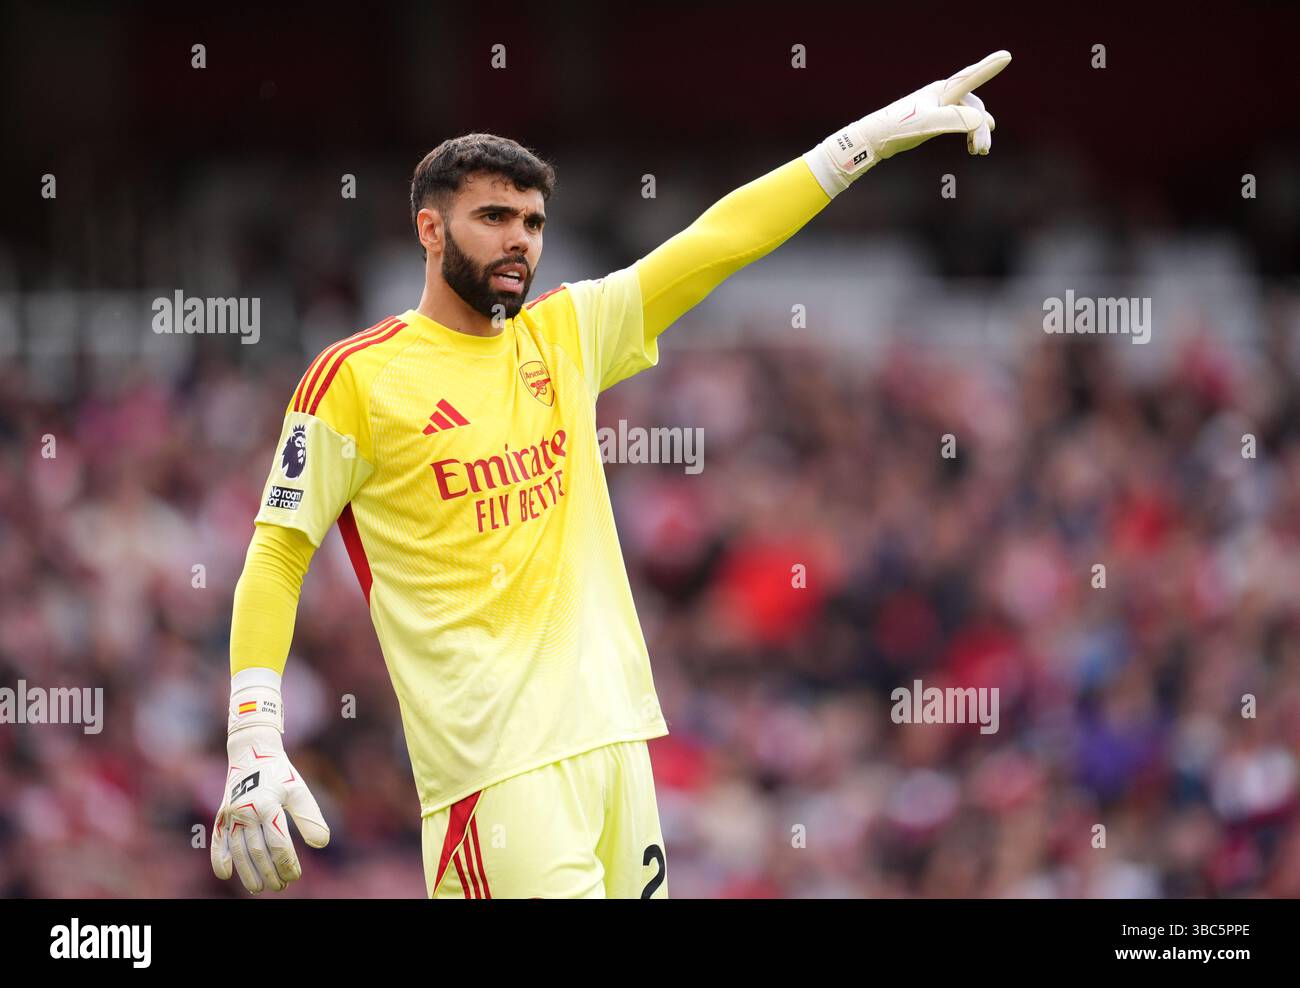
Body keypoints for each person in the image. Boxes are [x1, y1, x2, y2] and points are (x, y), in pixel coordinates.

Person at [210, 51, 1011, 899]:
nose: (519, 239)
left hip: (618, 750)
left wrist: (865, 141)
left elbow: (718, 243)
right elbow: (278, 552)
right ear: (430, 230)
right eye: (493, 216)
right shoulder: (356, 377)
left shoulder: (567, 332)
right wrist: (253, 734)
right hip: (499, 779)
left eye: (533, 221)